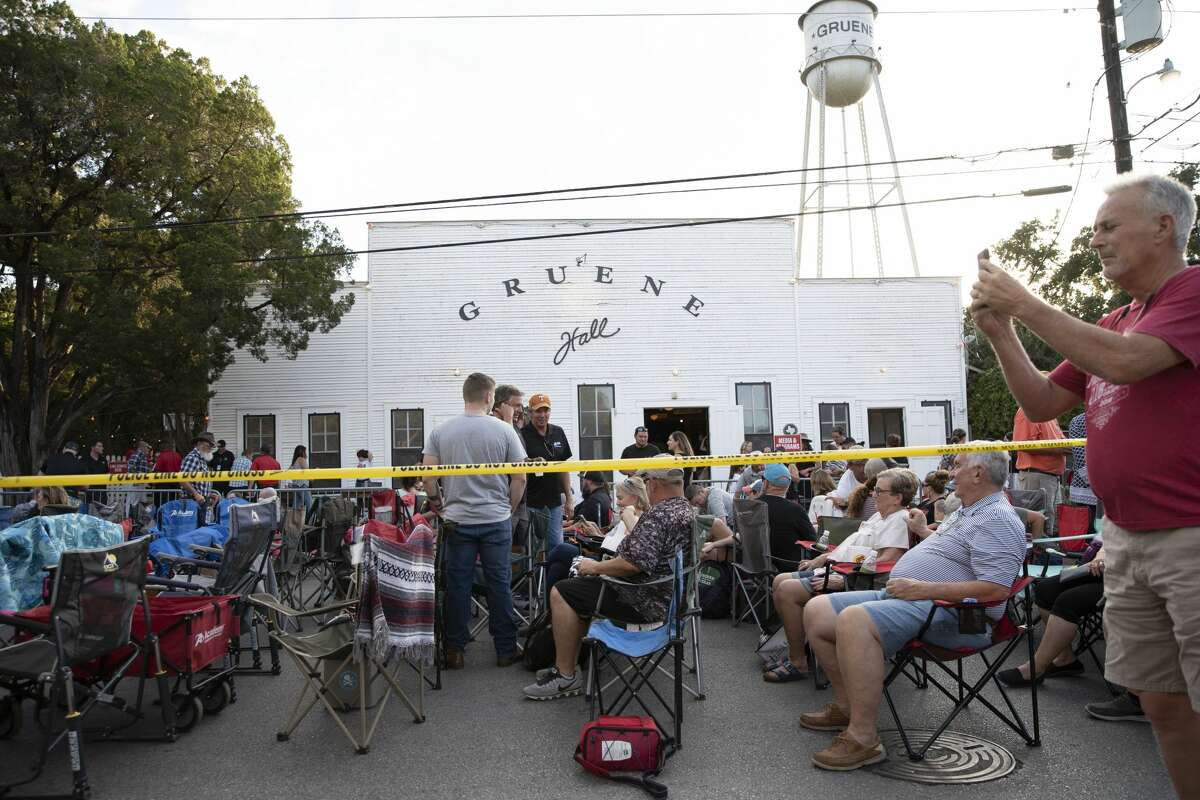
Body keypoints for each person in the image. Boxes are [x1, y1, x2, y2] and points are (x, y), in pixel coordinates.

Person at [970, 173, 1200, 796]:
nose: (1095, 239)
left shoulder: (1194, 291)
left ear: (1164, 226)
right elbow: (1044, 395)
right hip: (1126, 538)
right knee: (1162, 702)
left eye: (1108, 226)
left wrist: (1026, 304)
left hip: (1191, 535)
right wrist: (1002, 332)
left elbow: (1127, 362)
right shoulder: (1118, 318)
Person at [800, 448, 1026, 770]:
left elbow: (996, 589)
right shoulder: (969, 510)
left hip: (959, 615)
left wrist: (923, 588)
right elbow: (954, 553)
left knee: (854, 620)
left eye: (957, 466)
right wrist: (922, 534)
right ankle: (848, 706)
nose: (950, 472)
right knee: (818, 611)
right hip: (918, 600)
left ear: (978, 474)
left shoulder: (998, 519)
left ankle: (864, 738)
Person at [523, 467, 692, 701]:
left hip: (641, 601)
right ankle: (570, 662)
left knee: (562, 591)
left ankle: (565, 675)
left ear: (653, 483)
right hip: (667, 600)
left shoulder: (660, 515)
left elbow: (633, 564)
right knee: (578, 588)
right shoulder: (685, 510)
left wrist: (595, 568)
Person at [766, 468, 917, 683]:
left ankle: (798, 661)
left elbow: (888, 562)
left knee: (787, 591)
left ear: (897, 498)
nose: (873, 494)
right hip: (840, 570)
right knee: (779, 580)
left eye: (879, 491)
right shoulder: (879, 516)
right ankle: (801, 651)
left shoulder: (898, 519)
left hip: (857, 581)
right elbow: (855, 548)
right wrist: (822, 558)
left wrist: (845, 577)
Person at [423, 373, 527, 669]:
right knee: (499, 583)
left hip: (457, 519)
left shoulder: (441, 432)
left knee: (457, 585)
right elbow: (519, 478)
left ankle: (454, 650)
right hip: (495, 518)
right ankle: (505, 649)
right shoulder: (504, 431)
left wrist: (438, 504)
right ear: (488, 397)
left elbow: (428, 479)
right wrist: (508, 509)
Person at [999, 535, 1105, 687]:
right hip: (1099, 568)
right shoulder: (1122, 514)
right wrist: (1100, 557)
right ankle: (1065, 658)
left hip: (1128, 579)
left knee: (1068, 601)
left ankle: (1034, 669)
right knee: (1045, 590)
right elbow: (1109, 537)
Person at [545, 476, 651, 590]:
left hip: (607, 562)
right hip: (604, 557)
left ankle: (536, 573)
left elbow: (620, 547)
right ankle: (547, 604)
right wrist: (596, 534)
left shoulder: (635, 519)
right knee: (558, 568)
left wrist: (596, 536)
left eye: (620, 498)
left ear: (634, 498)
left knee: (562, 549)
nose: (618, 503)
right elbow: (615, 543)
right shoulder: (626, 516)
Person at [521, 393, 573, 553]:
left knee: (556, 546)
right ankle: (536, 578)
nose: (542, 415)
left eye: (546, 410)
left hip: (554, 502)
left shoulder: (558, 432)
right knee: (532, 548)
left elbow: (563, 467)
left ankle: (553, 578)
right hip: (530, 501)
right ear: (530, 413)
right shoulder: (523, 434)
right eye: (538, 411)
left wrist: (569, 499)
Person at [1012, 404, 1069, 527]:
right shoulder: (1028, 410)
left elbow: (1063, 442)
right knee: (1038, 524)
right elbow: (1022, 444)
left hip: (1049, 477)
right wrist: (1058, 449)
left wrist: (1067, 447)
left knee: (1048, 522)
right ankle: (1039, 546)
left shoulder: (1049, 415)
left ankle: (1045, 545)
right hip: (1037, 476)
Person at [756, 463, 816, 570]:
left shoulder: (752, 506)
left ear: (765, 483)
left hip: (754, 564)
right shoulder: (795, 510)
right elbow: (812, 541)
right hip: (787, 566)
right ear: (788, 486)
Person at [1067, 412, 1100, 533]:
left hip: (1108, 490)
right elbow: (1080, 457)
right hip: (1086, 492)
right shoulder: (1079, 421)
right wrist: (1100, 484)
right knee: (1088, 535)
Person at [180, 432, 218, 524]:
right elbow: (182, 479)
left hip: (201, 501)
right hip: (193, 501)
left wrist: (209, 493)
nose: (211, 449)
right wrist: (196, 494)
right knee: (195, 531)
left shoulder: (201, 459)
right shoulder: (193, 458)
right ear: (200, 443)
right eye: (209, 445)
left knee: (201, 530)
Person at [152, 440, 182, 507]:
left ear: (163, 447)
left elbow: (157, 470)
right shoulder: (178, 455)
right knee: (174, 504)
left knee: (163, 505)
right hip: (176, 484)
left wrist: (152, 481)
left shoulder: (162, 456)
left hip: (163, 485)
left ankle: (162, 517)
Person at [79, 440, 108, 506]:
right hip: (87, 492)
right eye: (99, 446)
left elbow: (106, 472)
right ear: (92, 447)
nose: (102, 448)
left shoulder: (103, 460)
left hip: (101, 492)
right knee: (86, 513)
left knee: (101, 513)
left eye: (102, 446)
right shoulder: (84, 460)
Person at [286, 445, 311, 513]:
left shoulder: (294, 462)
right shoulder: (301, 459)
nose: (306, 453)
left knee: (296, 506)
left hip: (296, 486)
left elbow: (288, 472)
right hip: (302, 485)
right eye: (305, 451)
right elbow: (307, 471)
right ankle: (312, 521)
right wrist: (316, 472)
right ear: (302, 452)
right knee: (309, 504)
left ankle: (294, 521)